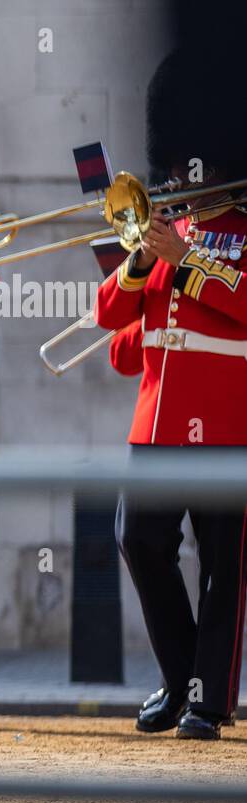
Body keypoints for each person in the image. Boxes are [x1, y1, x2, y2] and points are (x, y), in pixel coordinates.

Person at [93, 49, 247, 741]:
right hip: (155, 425)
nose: (191, 181)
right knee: (138, 539)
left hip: (227, 420)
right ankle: (183, 678)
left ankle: (210, 700)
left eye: (202, 167)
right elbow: (108, 317)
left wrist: (188, 264)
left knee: (223, 568)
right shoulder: (165, 232)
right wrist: (139, 259)